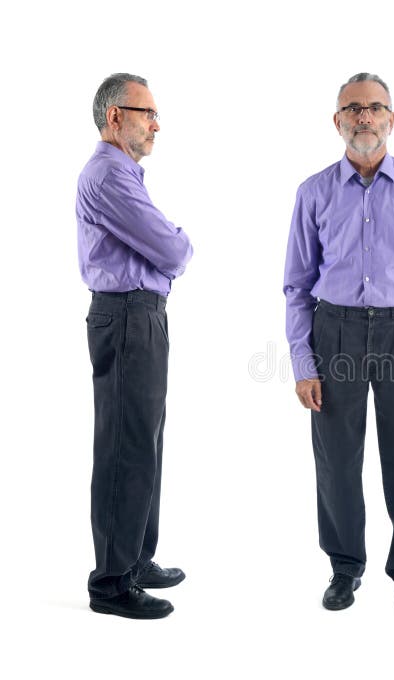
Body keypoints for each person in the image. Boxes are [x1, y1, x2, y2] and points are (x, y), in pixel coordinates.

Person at [284, 73, 394, 615]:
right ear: (337, 121)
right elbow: (296, 283)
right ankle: (344, 567)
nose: (364, 117)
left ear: (391, 119)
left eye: (375, 107)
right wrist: (302, 361)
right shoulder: (313, 192)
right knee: (336, 458)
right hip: (333, 329)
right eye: (353, 109)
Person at [77, 73, 193, 619]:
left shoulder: (126, 174)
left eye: (155, 113)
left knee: (144, 441)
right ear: (114, 116)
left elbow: (158, 248)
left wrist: (167, 243)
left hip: (140, 316)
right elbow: (171, 250)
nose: (155, 123)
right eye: (145, 112)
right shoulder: (110, 176)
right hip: (126, 316)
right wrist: (178, 239)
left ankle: (136, 557)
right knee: (126, 446)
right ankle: (111, 582)